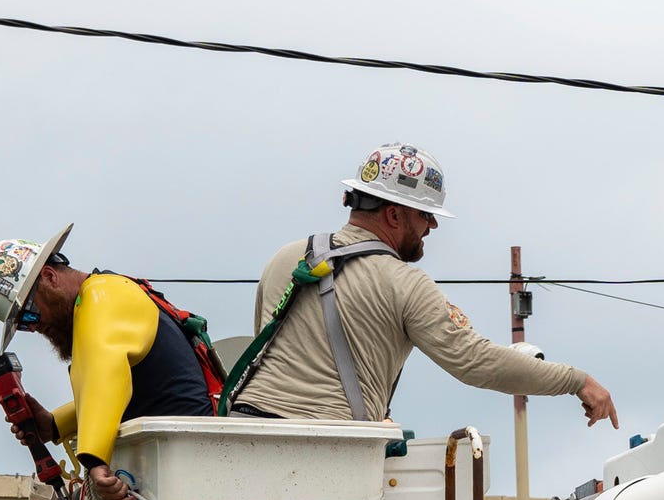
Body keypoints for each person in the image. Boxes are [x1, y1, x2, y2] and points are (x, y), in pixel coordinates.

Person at [225, 143, 618, 429]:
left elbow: (267, 345)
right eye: (425, 215)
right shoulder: (405, 283)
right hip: (325, 450)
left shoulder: (286, 258)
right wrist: (576, 380)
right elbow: (475, 361)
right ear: (394, 214)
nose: (432, 226)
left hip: (243, 433)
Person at [0, 224, 215, 500]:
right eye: (23, 326)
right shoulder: (108, 293)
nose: (35, 327)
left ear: (49, 277)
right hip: (183, 459)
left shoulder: (101, 297)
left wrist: (95, 460)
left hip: (190, 463)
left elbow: (105, 373)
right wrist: (54, 424)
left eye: (29, 314)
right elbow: (127, 385)